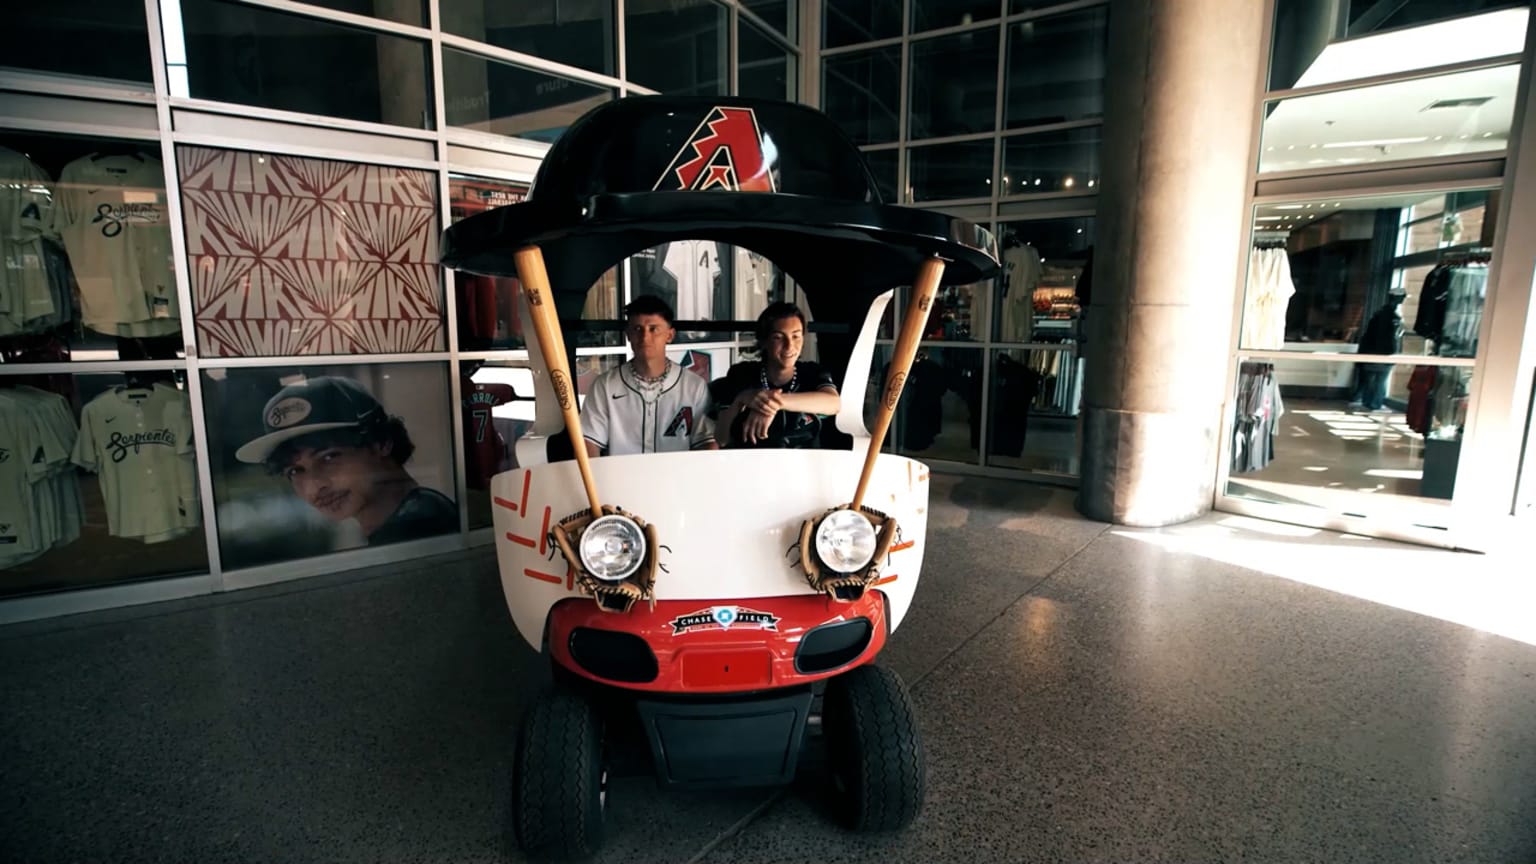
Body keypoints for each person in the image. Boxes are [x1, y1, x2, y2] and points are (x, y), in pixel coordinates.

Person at [234, 375, 458, 546]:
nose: (315, 486)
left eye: (329, 457)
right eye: (295, 471)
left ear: (381, 442)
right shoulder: (399, 523)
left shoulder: (418, 526)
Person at [579, 294, 718, 456]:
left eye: (654, 329)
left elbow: (708, 446)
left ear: (670, 335)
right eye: (637, 329)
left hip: (676, 478)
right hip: (623, 478)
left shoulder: (694, 386)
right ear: (628, 335)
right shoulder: (605, 386)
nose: (645, 337)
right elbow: (588, 444)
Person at [712, 302, 841, 448]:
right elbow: (721, 438)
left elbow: (834, 404)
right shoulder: (742, 373)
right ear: (764, 341)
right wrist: (742, 400)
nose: (789, 345)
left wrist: (772, 404)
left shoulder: (812, 372)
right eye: (778, 337)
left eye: (796, 336)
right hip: (751, 465)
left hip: (802, 465)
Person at [1350, 291, 1405, 412]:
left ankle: (1369, 401)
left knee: (1372, 378)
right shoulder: (1392, 317)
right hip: (1382, 353)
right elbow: (1392, 338)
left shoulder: (1378, 315)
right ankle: (1375, 403)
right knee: (1380, 379)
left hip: (1371, 352)